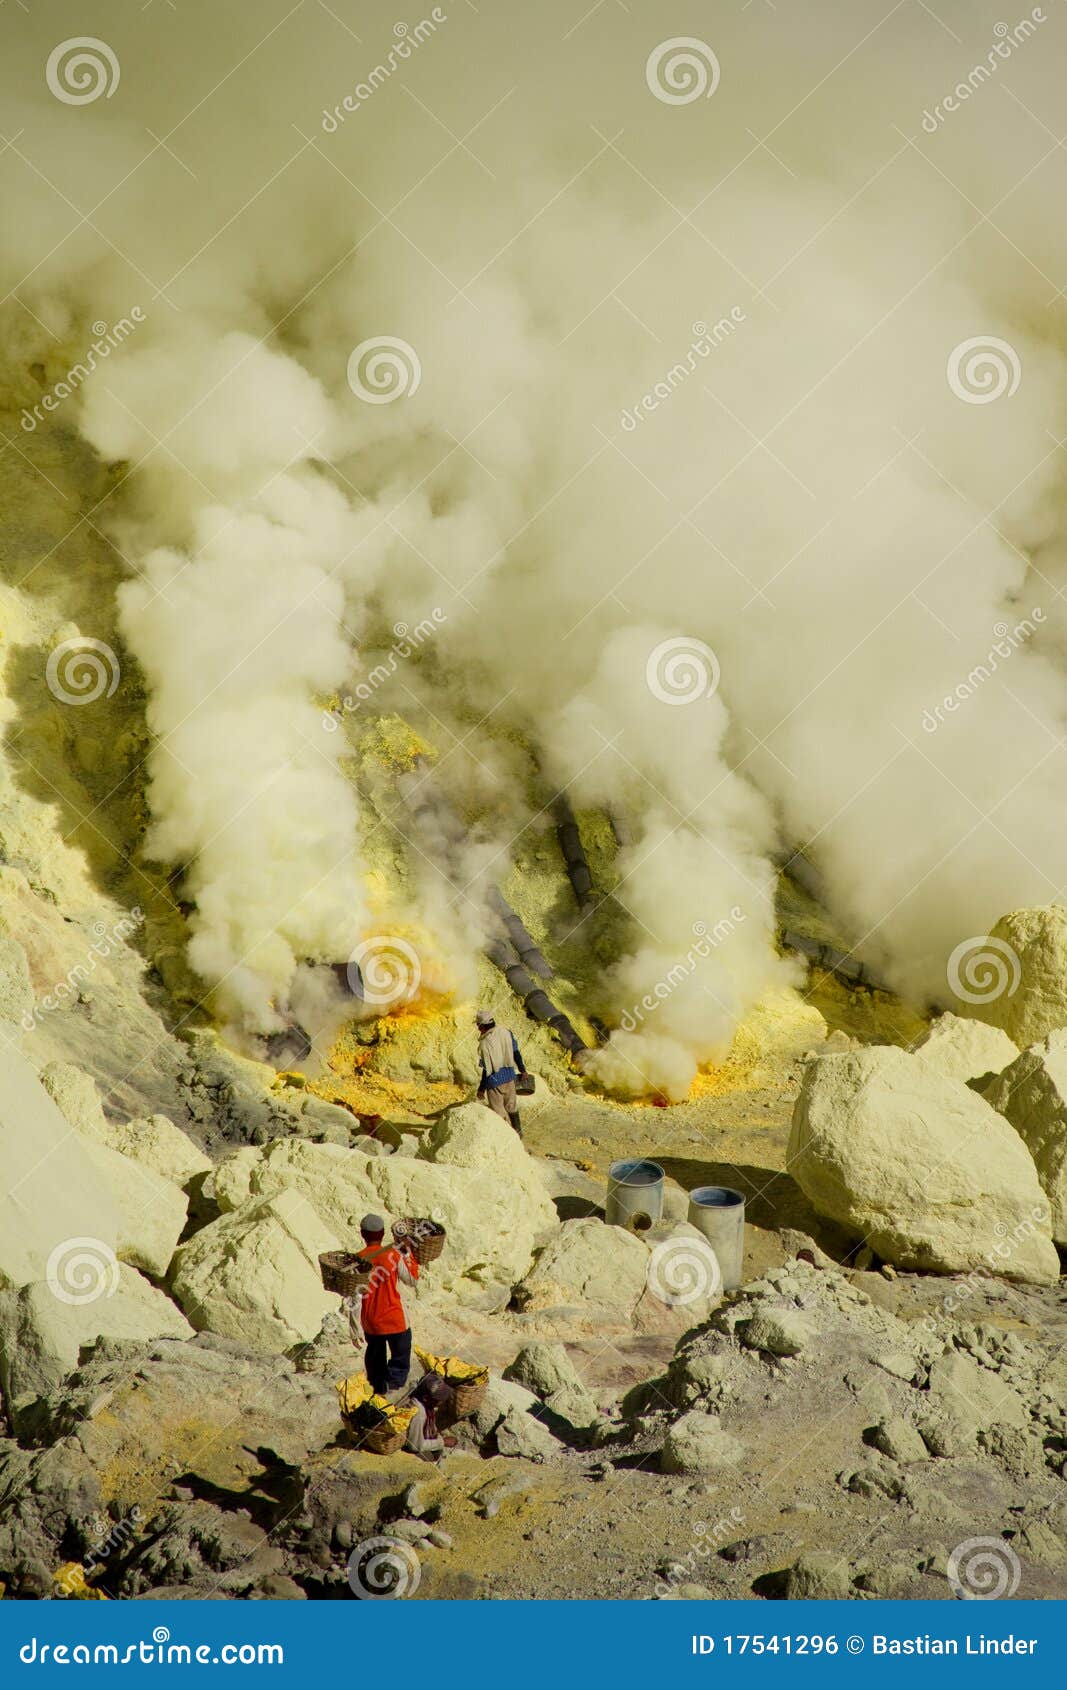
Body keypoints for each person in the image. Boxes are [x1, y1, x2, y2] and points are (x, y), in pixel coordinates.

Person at [354, 1213, 418, 1396]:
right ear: (382, 1234)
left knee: (375, 1362)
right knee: (400, 1358)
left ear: (362, 1234)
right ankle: (394, 1390)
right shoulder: (393, 1254)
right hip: (395, 1319)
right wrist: (409, 1254)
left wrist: (354, 1329)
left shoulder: (356, 1260)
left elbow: (353, 1297)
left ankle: (378, 1390)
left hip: (371, 1322)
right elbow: (411, 1280)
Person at [475, 1008, 526, 1134]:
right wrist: (523, 1070)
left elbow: (487, 1069)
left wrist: (481, 1089)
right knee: (511, 1106)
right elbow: (516, 1053)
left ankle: (506, 1137)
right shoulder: (506, 1032)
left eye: (478, 1025)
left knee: (499, 1113)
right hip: (509, 1076)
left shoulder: (485, 1044)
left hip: (494, 1082)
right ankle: (518, 1131)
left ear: (482, 1026)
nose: (477, 1029)